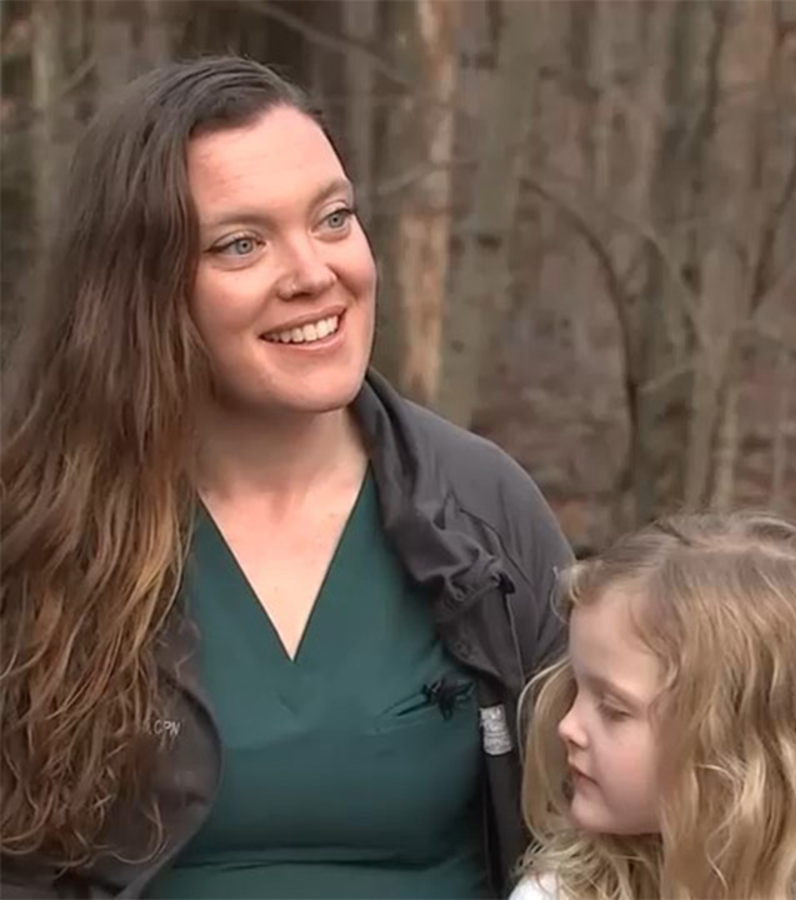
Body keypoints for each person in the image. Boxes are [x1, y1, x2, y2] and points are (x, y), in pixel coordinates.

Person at [0, 56, 571, 898]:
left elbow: (608, 827)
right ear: (143, 292)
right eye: (241, 243)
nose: (313, 273)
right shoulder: (43, 523)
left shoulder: (480, 511)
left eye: (334, 218)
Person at [512, 512, 796, 900]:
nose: (567, 726)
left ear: (740, 745)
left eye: (613, 709)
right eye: (574, 687)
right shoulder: (573, 885)